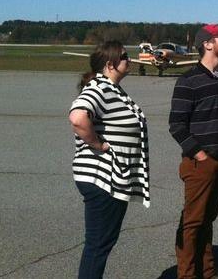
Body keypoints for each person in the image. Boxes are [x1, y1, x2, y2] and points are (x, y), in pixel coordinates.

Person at [68, 41, 150, 279]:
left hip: (110, 178)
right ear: (109, 64)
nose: (130, 59)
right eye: (125, 56)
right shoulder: (99, 88)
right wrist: (97, 144)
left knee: (100, 244)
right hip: (103, 179)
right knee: (98, 246)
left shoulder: (111, 88)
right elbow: (78, 117)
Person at [169, 24, 218, 279]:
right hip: (201, 164)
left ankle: (208, 272)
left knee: (207, 220)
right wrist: (200, 155)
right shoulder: (188, 81)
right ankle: (187, 274)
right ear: (208, 44)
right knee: (192, 223)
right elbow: (176, 125)